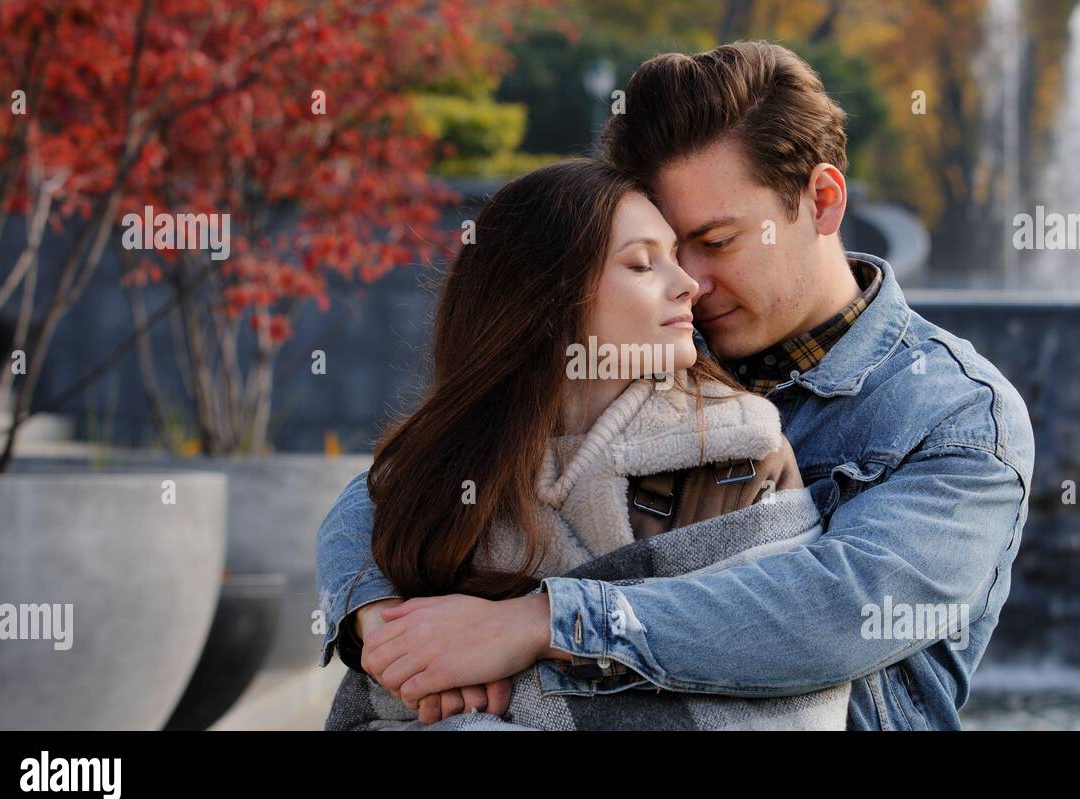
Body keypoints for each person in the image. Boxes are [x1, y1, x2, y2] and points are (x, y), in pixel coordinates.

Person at [317, 40, 1035, 730]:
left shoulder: (956, 414)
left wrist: (537, 622)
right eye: (661, 245)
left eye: (717, 240)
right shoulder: (652, 342)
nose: (689, 279)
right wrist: (381, 620)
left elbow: (838, 608)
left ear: (822, 200)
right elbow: (418, 470)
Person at [320, 157, 851, 730]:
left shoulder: (740, 455)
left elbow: (790, 700)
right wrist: (386, 632)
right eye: (645, 264)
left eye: (678, 257)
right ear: (548, 301)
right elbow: (387, 687)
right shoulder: (443, 478)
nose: (688, 285)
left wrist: (491, 679)